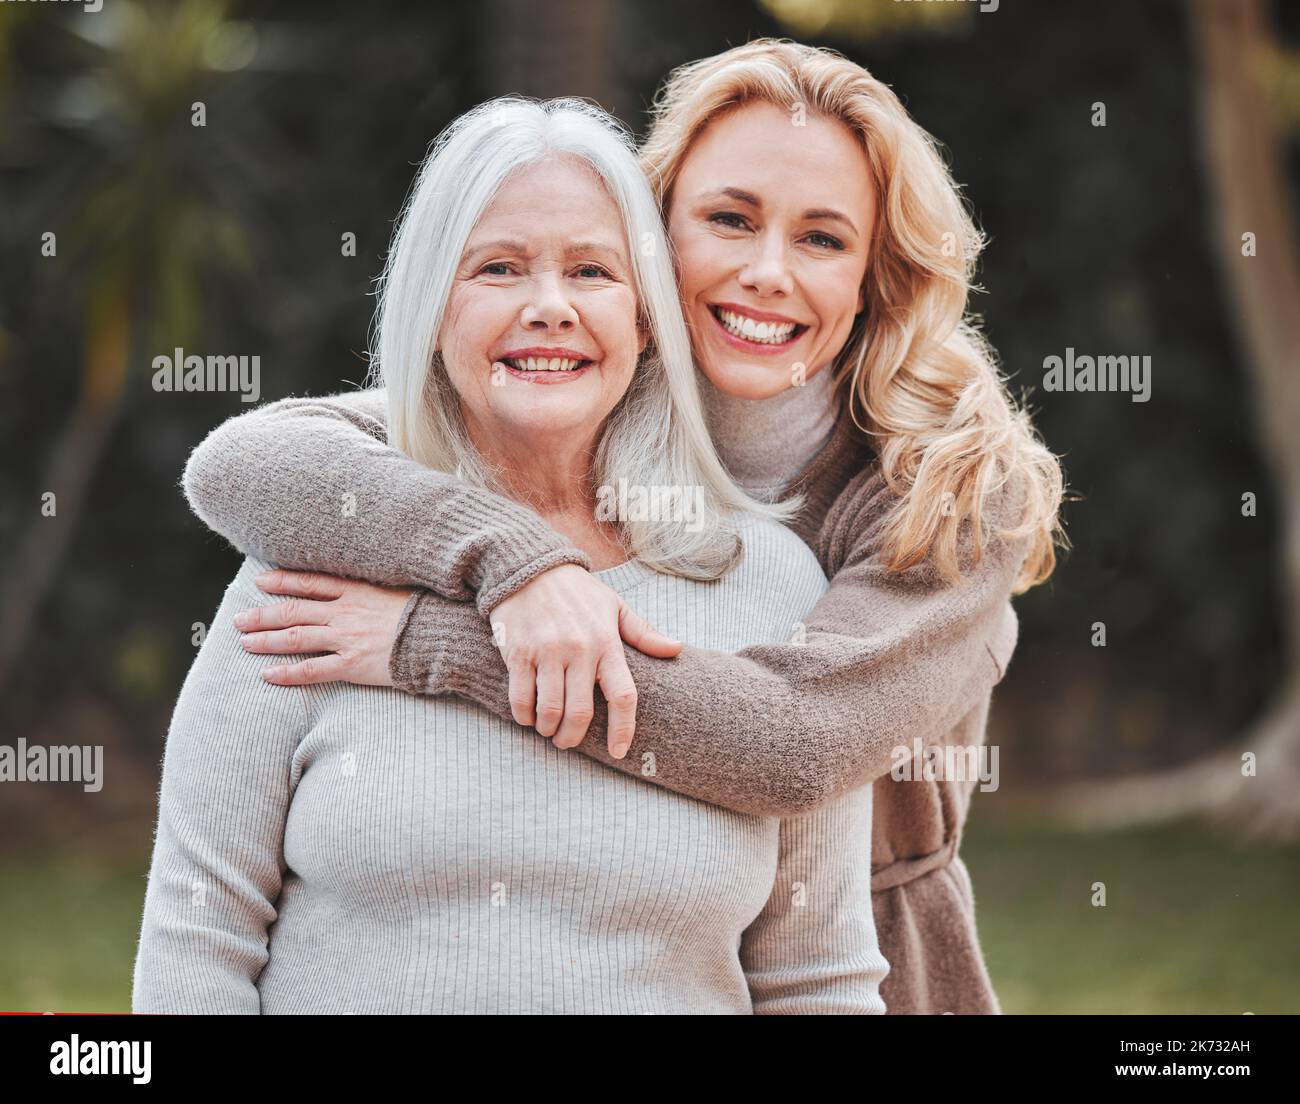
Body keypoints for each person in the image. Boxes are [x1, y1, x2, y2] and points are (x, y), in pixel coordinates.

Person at [182, 40, 1067, 1014]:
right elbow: (244, 464)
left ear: (874, 276)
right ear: (654, 242)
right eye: (729, 218)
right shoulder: (541, 390)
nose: (767, 271)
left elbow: (796, 746)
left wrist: (428, 641)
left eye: (822, 239)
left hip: (879, 959)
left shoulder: (945, 499)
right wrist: (515, 559)